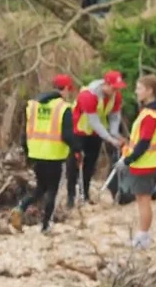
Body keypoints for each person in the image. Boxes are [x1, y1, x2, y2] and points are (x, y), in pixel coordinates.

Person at [10, 75, 73, 234]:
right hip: (54, 156)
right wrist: (77, 149)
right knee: (52, 190)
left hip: (36, 154)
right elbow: (67, 136)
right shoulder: (63, 108)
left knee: (40, 188)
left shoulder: (33, 105)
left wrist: (27, 153)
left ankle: (20, 207)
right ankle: (46, 226)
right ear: (65, 89)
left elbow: (25, 133)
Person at [116, 73, 156, 249]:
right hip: (153, 162)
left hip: (145, 164)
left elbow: (144, 142)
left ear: (149, 90)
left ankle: (142, 237)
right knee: (142, 199)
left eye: (139, 88)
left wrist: (128, 160)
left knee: (143, 200)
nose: (136, 92)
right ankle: (142, 235)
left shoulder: (149, 115)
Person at [67, 70, 125, 207]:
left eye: (117, 88)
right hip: (78, 131)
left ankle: (85, 195)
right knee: (74, 164)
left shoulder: (115, 96)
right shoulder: (88, 95)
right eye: (113, 87)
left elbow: (114, 116)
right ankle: (70, 197)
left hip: (96, 134)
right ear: (105, 84)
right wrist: (110, 139)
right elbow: (93, 121)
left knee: (90, 165)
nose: (115, 90)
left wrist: (115, 134)